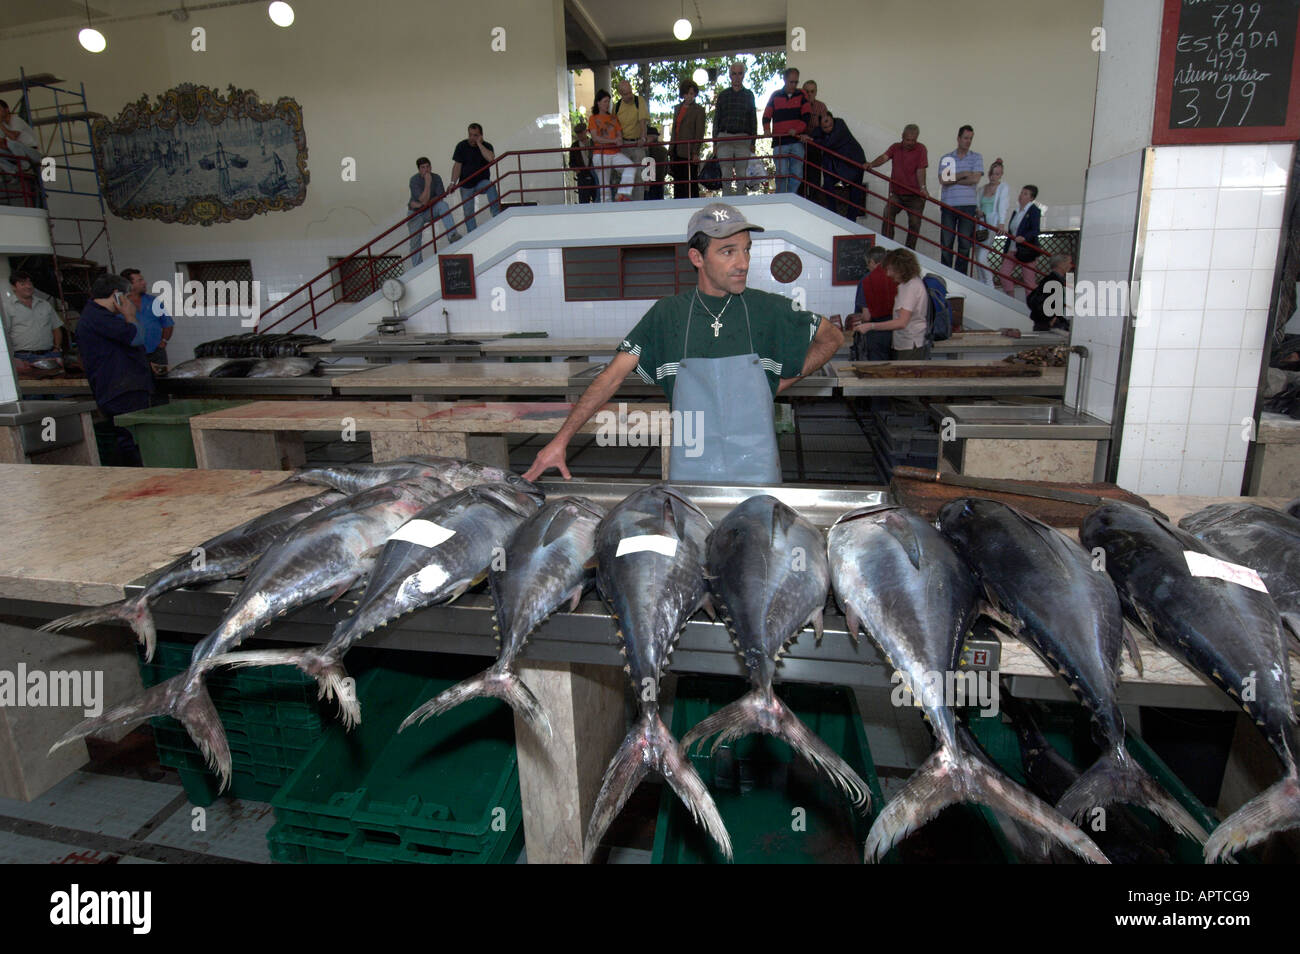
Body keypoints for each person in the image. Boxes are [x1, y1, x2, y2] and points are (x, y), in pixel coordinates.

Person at [522, 203, 843, 485]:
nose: (742, 262)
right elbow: (611, 376)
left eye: (746, 249)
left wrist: (776, 384)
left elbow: (832, 336)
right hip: (692, 470)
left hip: (757, 472)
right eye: (728, 251)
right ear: (696, 257)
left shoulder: (769, 308)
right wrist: (561, 440)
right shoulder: (667, 315)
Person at [79, 273, 152, 466]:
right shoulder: (99, 318)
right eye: (126, 297)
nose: (129, 301)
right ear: (116, 295)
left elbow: (121, 348)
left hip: (119, 387)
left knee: (130, 439)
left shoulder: (99, 316)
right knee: (131, 440)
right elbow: (136, 337)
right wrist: (130, 315)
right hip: (120, 390)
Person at [858, 248, 929, 360]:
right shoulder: (912, 283)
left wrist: (871, 326)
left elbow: (902, 322)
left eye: (891, 269)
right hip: (908, 342)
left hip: (910, 343)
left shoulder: (910, 287)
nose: (888, 274)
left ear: (901, 268)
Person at [867, 125, 928, 249]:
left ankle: (909, 251)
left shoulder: (921, 149)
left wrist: (923, 187)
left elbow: (921, 169)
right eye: (908, 140)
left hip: (915, 195)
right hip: (897, 193)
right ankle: (887, 247)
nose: (910, 143)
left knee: (915, 223)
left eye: (913, 140)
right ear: (902, 137)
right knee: (888, 213)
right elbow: (884, 157)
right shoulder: (895, 147)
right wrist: (871, 164)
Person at [938, 125, 983, 275]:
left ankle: (960, 275)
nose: (968, 141)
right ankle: (946, 273)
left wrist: (953, 178)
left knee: (964, 243)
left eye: (970, 139)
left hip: (968, 205)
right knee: (947, 242)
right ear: (958, 138)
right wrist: (963, 174)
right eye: (965, 138)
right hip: (949, 205)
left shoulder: (976, 157)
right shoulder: (947, 158)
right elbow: (943, 179)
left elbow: (975, 179)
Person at [805, 109, 865, 219]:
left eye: (830, 125)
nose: (828, 129)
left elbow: (829, 142)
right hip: (839, 164)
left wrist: (812, 140)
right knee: (828, 183)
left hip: (855, 162)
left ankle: (851, 220)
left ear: (833, 120)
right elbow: (815, 135)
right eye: (825, 127)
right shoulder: (820, 130)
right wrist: (812, 139)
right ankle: (832, 214)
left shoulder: (840, 124)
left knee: (856, 192)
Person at [762, 69, 811, 195]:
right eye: (791, 82)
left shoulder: (802, 95)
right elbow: (766, 115)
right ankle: (781, 197)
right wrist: (766, 130)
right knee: (781, 173)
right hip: (780, 142)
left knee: (797, 174)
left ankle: (790, 196)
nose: (794, 85)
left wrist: (797, 130)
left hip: (796, 141)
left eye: (796, 82)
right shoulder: (775, 95)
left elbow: (806, 117)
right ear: (784, 80)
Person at [713, 61, 757, 196]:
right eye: (734, 74)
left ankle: (742, 204)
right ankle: (726, 202)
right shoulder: (723, 95)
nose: (737, 77)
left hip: (743, 138)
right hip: (724, 138)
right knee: (725, 175)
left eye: (739, 73)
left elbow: (753, 120)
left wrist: (753, 142)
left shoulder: (749, 95)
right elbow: (717, 119)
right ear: (729, 76)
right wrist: (715, 142)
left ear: (743, 75)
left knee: (742, 175)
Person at [3, 271, 64, 364]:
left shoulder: (44, 304)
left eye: (30, 283)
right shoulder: (6, 307)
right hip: (22, 358)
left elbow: (56, 327)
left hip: (50, 355)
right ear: (13, 287)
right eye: (22, 284)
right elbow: (4, 334)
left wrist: (57, 348)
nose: (28, 286)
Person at [406, 156, 459, 264]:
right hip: (415, 213)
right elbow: (423, 199)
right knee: (415, 242)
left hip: (428, 210)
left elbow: (438, 198)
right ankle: (417, 267)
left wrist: (421, 204)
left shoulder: (437, 177)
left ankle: (452, 235)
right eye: (423, 167)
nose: (426, 169)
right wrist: (427, 183)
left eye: (427, 167)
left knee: (443, 205)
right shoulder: (414, 180)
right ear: (419, 169)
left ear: (431, 167)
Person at [849, 246, 897, 361]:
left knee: (878, 372)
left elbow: (866, 316)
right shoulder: (897, 278)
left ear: (872, 262)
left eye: (868, 263)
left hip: (876, 334)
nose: (867, 267)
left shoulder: (867, 280)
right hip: (898, 333)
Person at [450, 123, 501, 233]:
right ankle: (472, 233)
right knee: (468, 212)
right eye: (470, 135)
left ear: (481, 135)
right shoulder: (461, 146)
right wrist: (452, 182)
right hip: (466, 184)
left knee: (490, 186)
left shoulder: (487, 146)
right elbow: (457, 165)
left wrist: (479, 143)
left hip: (481, 182)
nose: (472, 138)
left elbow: (491, 158)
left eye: (475, 135)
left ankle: (496, 214)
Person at [587, 90, 635, 202]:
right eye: (605, 101)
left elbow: (619, 135)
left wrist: (619, 140)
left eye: (608, 102)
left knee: (630, 166)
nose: (607, 104)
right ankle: (606, 209)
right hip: (600, 154)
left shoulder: (613, 118)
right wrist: (614, 140)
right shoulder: (593, 118)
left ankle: (622, 193)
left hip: (614, 152)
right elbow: (595, 138)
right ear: (598, 103)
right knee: (605, 186)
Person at [120, 268, 174, 366]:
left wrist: (163, 342)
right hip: (132, 354)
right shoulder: (119, 305)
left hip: (156, 353)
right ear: (129, 284)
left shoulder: (154, 301)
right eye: (140, 280)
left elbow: (168, 324)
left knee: (162, 380)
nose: (144, 283)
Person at [998, 184, 1043, 296]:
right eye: (1021, 193)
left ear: (1031, 198)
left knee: (1028, 280)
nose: (1021, 195)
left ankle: (1032, 305)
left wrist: (1024, 238)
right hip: (1013, 248)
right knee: (1003, 273)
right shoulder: (1016, 211)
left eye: (1025, 194)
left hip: (1027, 250)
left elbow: (1035, 230)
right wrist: (1005, 250)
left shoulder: (1034, 211)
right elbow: (1011, 231)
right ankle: (1010, 296)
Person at [974, 158, 1011, 287]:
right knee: (977, 254)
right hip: (980, 223)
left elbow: (1003, 205)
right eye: (992, 173)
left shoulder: (1003, 188)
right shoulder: (982, 189)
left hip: (992, 223)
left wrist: (1001, 223)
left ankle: (989, 283)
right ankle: (981, 282)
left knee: (981, 256)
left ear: (1001, 175)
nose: (993, 176)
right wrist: (977, 211)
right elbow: (977, 204)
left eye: (997, 174)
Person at [0, 98, 42, 204]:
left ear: (7, 109)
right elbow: (4, 144)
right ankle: (14, 172)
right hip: (20, 152)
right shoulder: (4, 125)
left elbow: (13, 137)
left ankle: (26, 168)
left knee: (12, 143)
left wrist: (0, 126)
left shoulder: (15, 120)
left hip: (33, 153)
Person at [615, 79, 651, 201]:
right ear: (620, 94)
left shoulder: (638, 100)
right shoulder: (617, 106)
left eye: (630, 92)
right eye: (626, 94)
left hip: (637, 143)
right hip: (624, 145)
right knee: (626, 175)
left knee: (639, 176)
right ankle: (627, 202)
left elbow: (642, 121)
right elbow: (615, 126)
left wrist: (643, 137)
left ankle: (639, 203)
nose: (629, 96)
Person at [670, 81, 706, 199]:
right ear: (683, 94)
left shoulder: (698, 110)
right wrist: (671, 148)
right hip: (676, 149)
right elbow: (675, 129)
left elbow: (699, 132)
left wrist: (695, 152)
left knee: (690, 182)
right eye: (687, 93)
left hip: (689, 150)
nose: (690, 96)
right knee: (678, 181)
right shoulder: (677, 108)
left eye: (692, 94)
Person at [799, 80, 828, 206]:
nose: (809, 94)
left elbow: (825, 128)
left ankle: (814, 206)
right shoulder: (798, 104)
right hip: (800, 146)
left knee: (814, 180)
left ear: (816, 92)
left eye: (812, 91)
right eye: (807, 91)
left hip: (815, 147)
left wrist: (813, 138)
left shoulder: (821, 107)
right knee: (800, 180)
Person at [1027, 253, 1073, 332]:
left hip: (1045, 323)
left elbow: (1031, 298)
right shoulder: (1053, 282)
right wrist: (1051, 319)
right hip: (1048, 325)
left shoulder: (1049, 280)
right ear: (1061, 265)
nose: (1071, 266)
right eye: (1069, 263)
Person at [569, 123, 599, 204]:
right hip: (582, 177)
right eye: (578, 133)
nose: (580, 135)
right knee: (583, 201)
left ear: (585, 132)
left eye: (581, 133)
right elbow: (571, 163)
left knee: (596, 198)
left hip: (594, 175)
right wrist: (578, 171)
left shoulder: (593, 143)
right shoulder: (574, 146)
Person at [644, 126, 670, 200]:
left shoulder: (646, 149)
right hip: (660, 180)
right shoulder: (663, 150)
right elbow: (666, 169)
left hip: (649, 182)